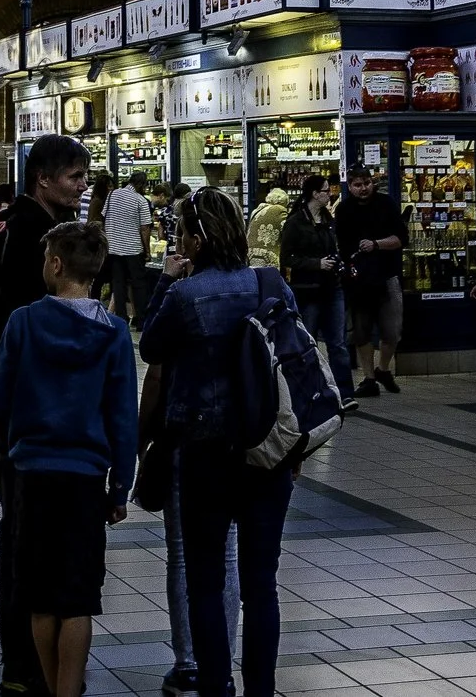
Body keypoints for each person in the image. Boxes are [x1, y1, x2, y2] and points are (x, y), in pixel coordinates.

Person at [142, 189, 292, 697]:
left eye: (183, 231)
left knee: (204, 577)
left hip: (204, 450)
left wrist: (166, 279)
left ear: (197, 239)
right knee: (260, 583)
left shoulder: (186, 294)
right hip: (267, 450)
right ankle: (261, 691)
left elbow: (151, 345)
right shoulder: (269, 283)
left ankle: (213, 685)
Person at [0, 221, 137, 697]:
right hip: (86, 479)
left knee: (39, 598)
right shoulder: (113, 333)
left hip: (32, 475)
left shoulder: (23, 322)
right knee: (77, 599)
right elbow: (122, 417)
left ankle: (48, 688)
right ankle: (70, 691)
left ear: (54, 264)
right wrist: (119, 487)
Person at [0, 133, 92, 697]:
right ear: (43, 178)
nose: (83, 184)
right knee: (21, 527)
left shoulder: (25, 224)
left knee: (21, 525)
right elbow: (31, 325)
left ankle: (25, 657)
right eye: (74, 176)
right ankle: (21, 662)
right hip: (18, 402)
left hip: (13, 397)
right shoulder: (30, 234)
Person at [278, 179, 355, 402]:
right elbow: (287, 258)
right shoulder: (295, 222)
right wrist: (316, 264)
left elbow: (334, 247)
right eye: (325, 191)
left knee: (338, 344)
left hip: (332, 287)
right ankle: (308, 391)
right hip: (307, 290)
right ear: (314, 194)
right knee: (307, 342)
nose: (329, 194)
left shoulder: (328, 220)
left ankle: (344, 394)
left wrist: (336, 262)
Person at [334, 166, 406, 397]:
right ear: (350, 186)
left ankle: (383, 368)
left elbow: (400, 238)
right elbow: (341, 243)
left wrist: (376, 244)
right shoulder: (344, 209)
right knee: (361, 332)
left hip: (387, 275)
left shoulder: (386, 204)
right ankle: (369, 378)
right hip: (359, 280)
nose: (363, 189)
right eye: (357, 185)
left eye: (366, 183)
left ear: (372, 183)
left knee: (392, 331)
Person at [101, 169, 155, 323]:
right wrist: (147, 250)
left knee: (118, 284)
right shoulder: (140, 200)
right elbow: (145, 228)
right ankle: (140, 319)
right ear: (141, 184)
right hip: (133, 249)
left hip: (113, 248)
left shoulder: (112, 195)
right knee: (139, 284)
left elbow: (104, 216)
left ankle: (121, 317)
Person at [245, 185, 290, 269]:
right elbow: (288, 231)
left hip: (251, 254)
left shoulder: (257, 210)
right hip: (268, 255)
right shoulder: (280, 209)